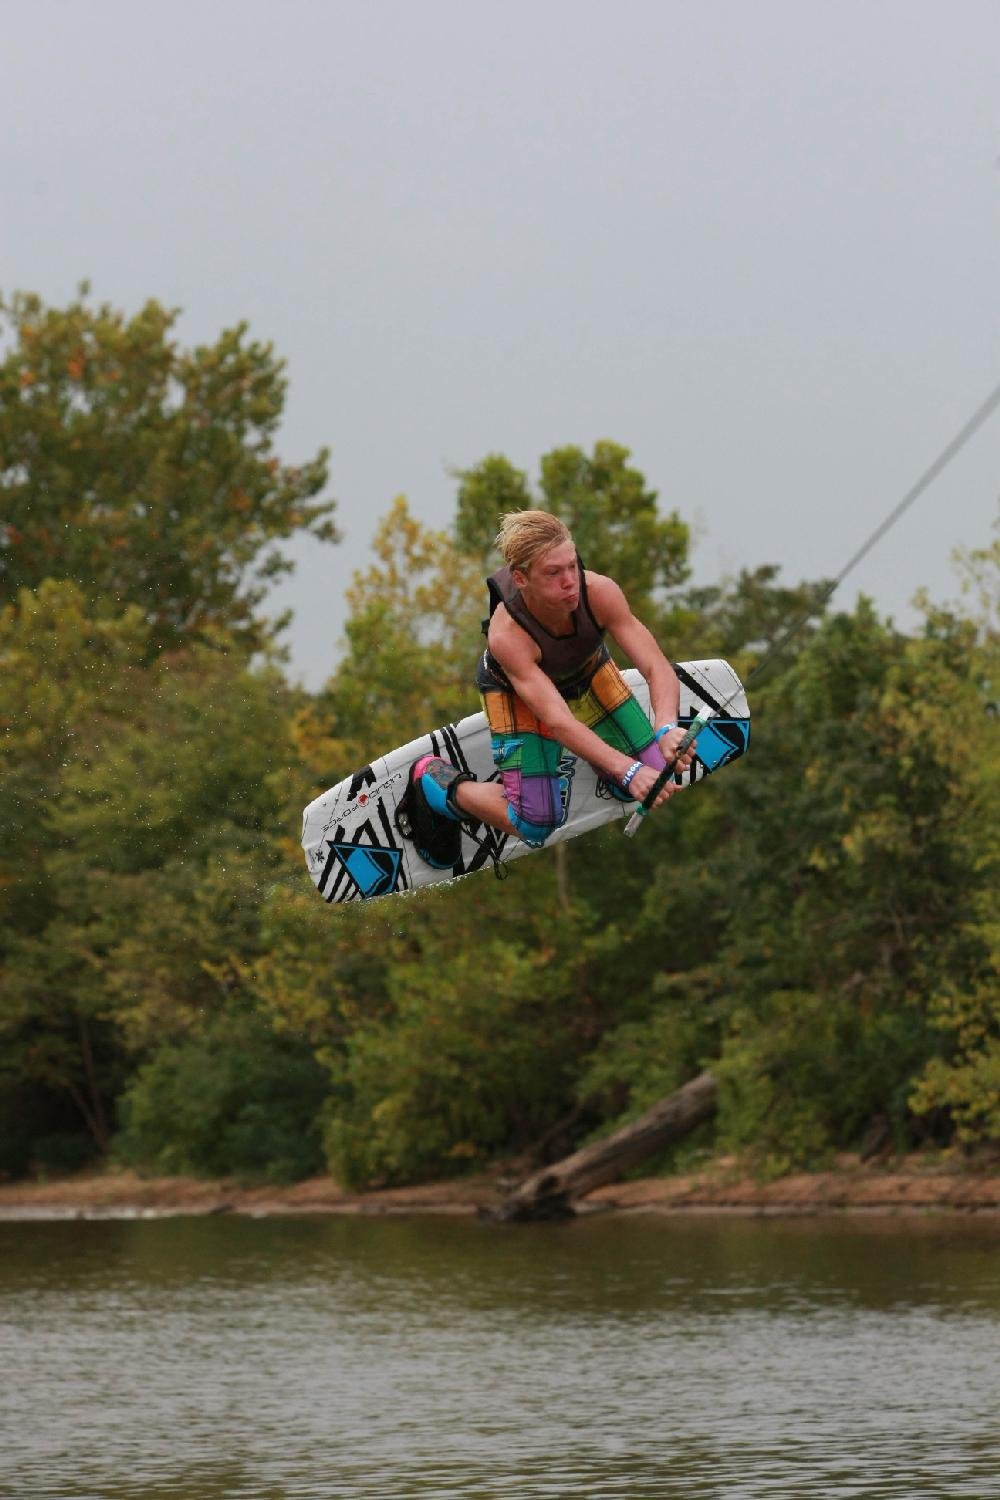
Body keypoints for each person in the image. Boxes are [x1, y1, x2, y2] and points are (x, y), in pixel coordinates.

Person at [399, 509, 695, 868]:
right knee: (536, 824)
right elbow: (557, 721)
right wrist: (627, 770)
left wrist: (665, 727)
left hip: (585, 671)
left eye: (572, 566)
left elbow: (655, 666)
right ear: (521, 578)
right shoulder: (508, 635)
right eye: (553, 573)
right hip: (519, 696)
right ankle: (434, 781)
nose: (570, 582)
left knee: (659, 770)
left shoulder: (600, 592)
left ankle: (609, 764)